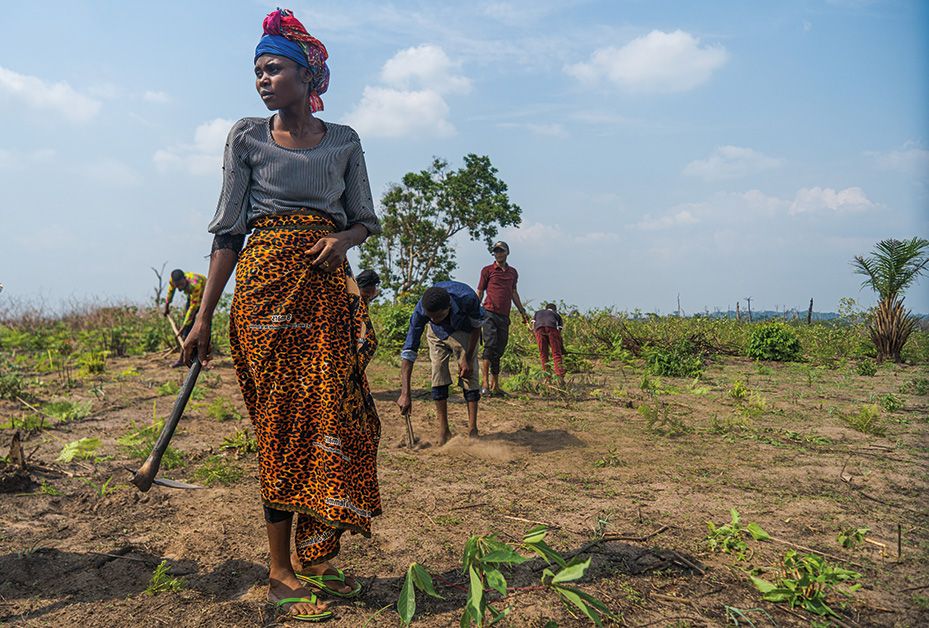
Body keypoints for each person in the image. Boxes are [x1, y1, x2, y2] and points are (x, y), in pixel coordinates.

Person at [181, 8, 382, 622]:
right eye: (258, 71)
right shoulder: (246, 136)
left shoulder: (344, 140)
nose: (263, 79)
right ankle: (278, 572)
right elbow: (229, 230)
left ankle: (316, 557)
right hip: (264, 296)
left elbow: (366, 219)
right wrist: (203, 316)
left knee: (337, 416)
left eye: (273, 69)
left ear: (307, 74)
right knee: (282, 426)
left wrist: (343, 240)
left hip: (325, 297)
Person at [396, 282, 484, 445]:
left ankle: (473, 430)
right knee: (438, 373)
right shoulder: (422, 309)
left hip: (465, 331)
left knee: (469, 375)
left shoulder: (468, 299)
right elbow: (409, 351)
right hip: (436, 334)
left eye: (438, 316)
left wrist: (468, 358)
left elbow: (476, 327)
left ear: (448, 307)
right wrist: (405, 393)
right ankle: (444, 430)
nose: (434, 320)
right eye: (430, 317)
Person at [476, 241, 528, 396]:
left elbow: (513, 292)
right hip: (489, 312)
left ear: (507, 252)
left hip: (504, 315)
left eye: (501, 251)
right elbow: (480, 291)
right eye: (496, 251)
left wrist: (522, 311)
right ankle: (484, 383)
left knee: (500, 348)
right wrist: (474, 309)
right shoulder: (487, 270)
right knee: (490, 346)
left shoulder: (513, 272)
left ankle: (495, 385)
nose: (498, 253)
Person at [163, 269, 206, 367]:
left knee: (203, 325)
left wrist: (183, 327)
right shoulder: (172, 281)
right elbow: (170, 292)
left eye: (181, 284)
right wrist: (166, 307)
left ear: (185, 279)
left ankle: (202, 359)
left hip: (204, 295)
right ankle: (182, 359)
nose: (180, 288)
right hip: (192, 295)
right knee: (187, 330)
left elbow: (193, 308)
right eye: (177, 286)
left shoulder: (195, 285)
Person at [533, 303, 566, 384]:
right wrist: (561, 348)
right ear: (554, 309)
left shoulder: (537, 313)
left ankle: (547, 378)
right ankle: (560, 377)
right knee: (556, 353)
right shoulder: (556, 314)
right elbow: (558, 334)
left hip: (538, 329)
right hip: (552, 328)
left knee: (543, 354)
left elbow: (533, 326)